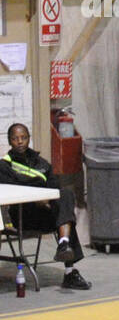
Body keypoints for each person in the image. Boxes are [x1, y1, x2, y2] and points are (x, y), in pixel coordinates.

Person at [0, 124, 91, 290]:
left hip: (45, 213)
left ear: (29, 139)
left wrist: (47, 202)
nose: (20, 142)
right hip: (23, 216)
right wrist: (37, 198)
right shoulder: (5, 165)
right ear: (10, 141)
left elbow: (54, 188)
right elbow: (12, 189)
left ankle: (64, 246)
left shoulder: (42, 164)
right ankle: (69, 268)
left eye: (24, 137)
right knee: (65, 218)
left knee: (66, 197)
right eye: (15, 138)